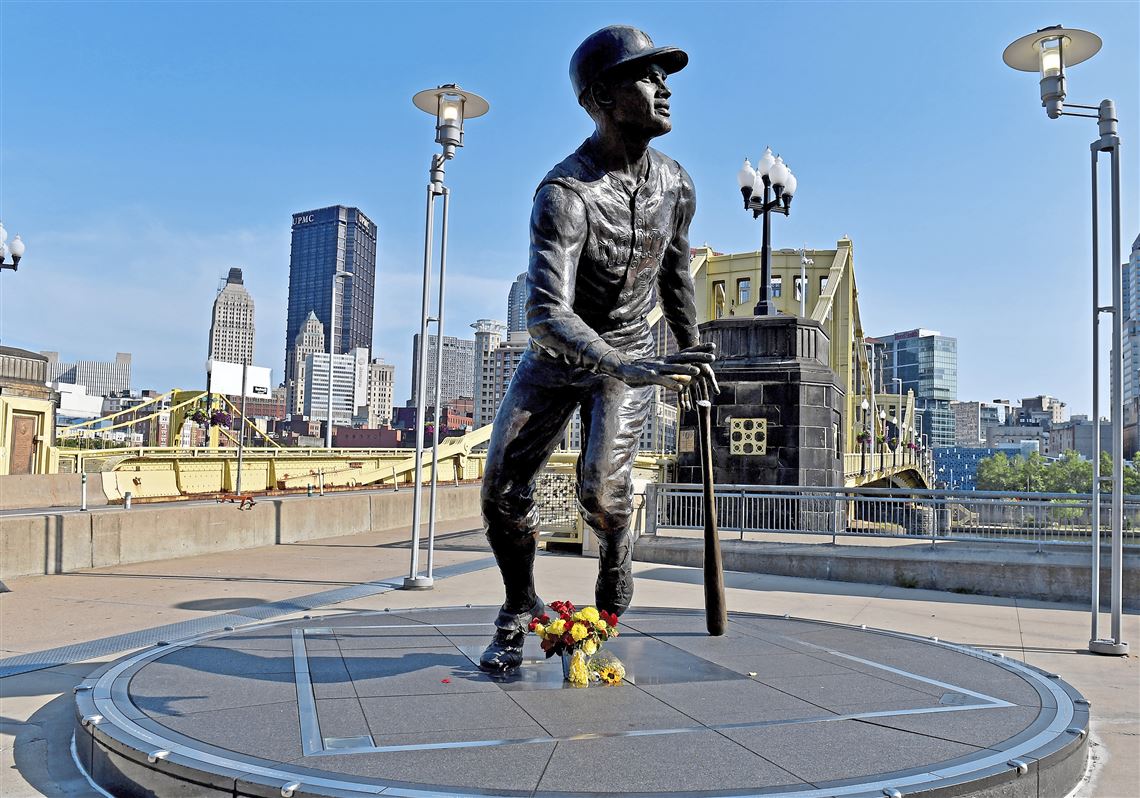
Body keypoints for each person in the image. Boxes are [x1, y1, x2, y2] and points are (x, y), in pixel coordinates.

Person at [479, 25, 715, 672]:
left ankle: (615, 565)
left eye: (664, 76)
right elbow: (546, 313)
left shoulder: (677, 184)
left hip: (631, 353)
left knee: (603, 499)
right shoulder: (565, 195)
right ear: (603, 97)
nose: (664, 88)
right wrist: (621, 364)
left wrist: (691, 356)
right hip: (561, 358)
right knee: (501, 487)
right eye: (647, 76)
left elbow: (673, 280)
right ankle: (518, 606)